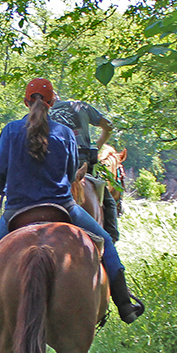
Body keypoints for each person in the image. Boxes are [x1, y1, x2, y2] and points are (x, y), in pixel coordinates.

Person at [0, 78, 143, 345]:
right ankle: (124, 304)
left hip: (17, 211)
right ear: (51, 103)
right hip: (63, 208)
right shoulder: (64, 133)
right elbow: (71, 172)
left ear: (26, 102)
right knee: (106, 241)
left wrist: (0, 186)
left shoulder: (10, 131)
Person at [50, 91, 120, 241]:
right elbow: (108, 126)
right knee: (108, 201)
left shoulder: (43, 113)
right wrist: (97, 145)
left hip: (52, 167)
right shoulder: (81, 106)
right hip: (82, 163)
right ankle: (111, 238)